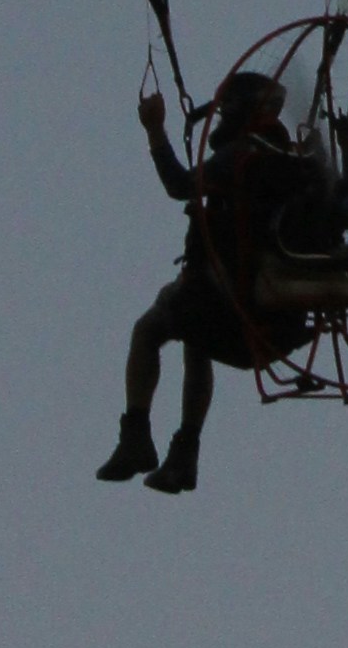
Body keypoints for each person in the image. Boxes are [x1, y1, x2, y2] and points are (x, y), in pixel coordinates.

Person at [97, 64, 312, 494]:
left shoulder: (242, 155)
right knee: (196, 339)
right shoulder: (296, 164)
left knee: (148, 330)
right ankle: (184, 458)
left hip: (234, 304)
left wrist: (154, 129)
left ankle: (136, 436)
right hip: (276, 324)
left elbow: (179, 185)